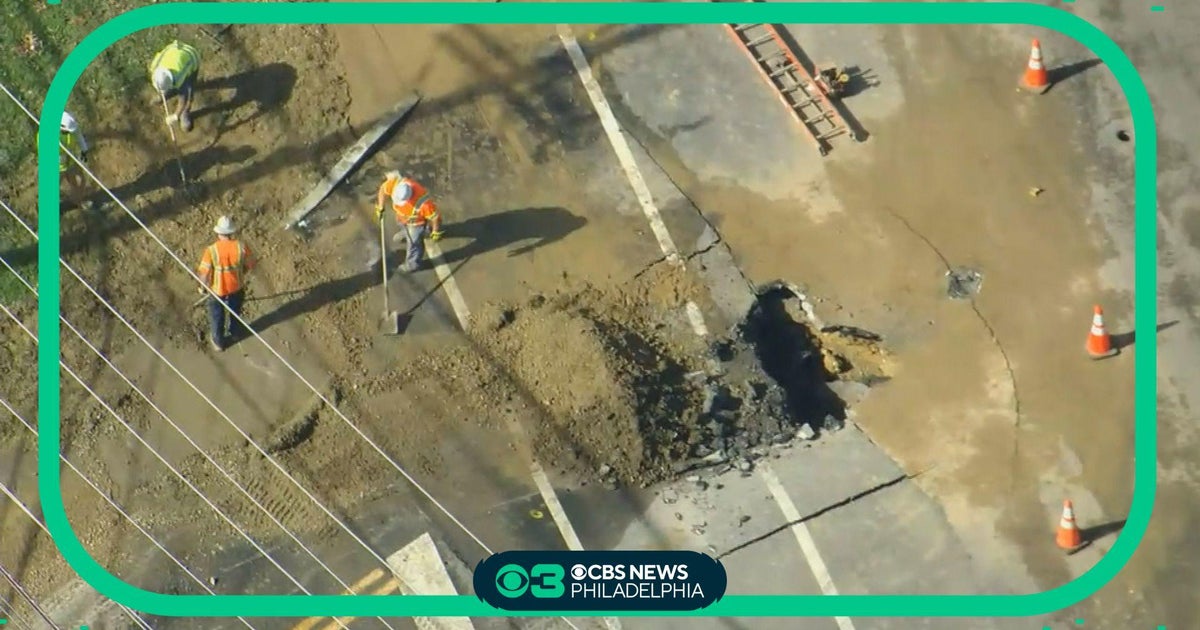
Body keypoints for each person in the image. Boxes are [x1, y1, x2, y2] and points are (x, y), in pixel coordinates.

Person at [197, 215, 255, 352]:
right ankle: (235, 333)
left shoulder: (211, 250)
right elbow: (251, 264)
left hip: (217, 290)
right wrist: (242, 272)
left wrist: (202, 288)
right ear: (231, 232)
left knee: (217, 316)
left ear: (218, 233)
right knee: (235, 312)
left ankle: (218, 343)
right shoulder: (241, 247)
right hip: (237, 287)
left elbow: (204, 274)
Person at [374, 171, 444, 272]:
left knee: (414, 244)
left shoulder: (424, 203)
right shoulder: (395, 184)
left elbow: (435, 217)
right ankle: (406, 233)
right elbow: (382, 190)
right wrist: (380, 207)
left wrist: (436, 231)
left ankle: (413, 264)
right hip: (402, 219)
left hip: (416, 224)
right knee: (403, 227)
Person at [149, 40, 201, 132]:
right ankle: (167, 93)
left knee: (188, 89)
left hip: (191, 57)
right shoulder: (155, 67)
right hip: (175, 50)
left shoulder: (179, 78)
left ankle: (185, 112)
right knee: (171, 89)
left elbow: (183, 99)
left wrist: (175, 116)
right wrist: (162, 91)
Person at [56, 112, 91, 208]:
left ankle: (77, 201)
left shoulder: (72, 128)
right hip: (56, 166)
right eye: (67, 131)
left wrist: (84, 150)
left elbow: (79, 136)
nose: (70, 133)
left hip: (70, 161)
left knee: (79, 180)